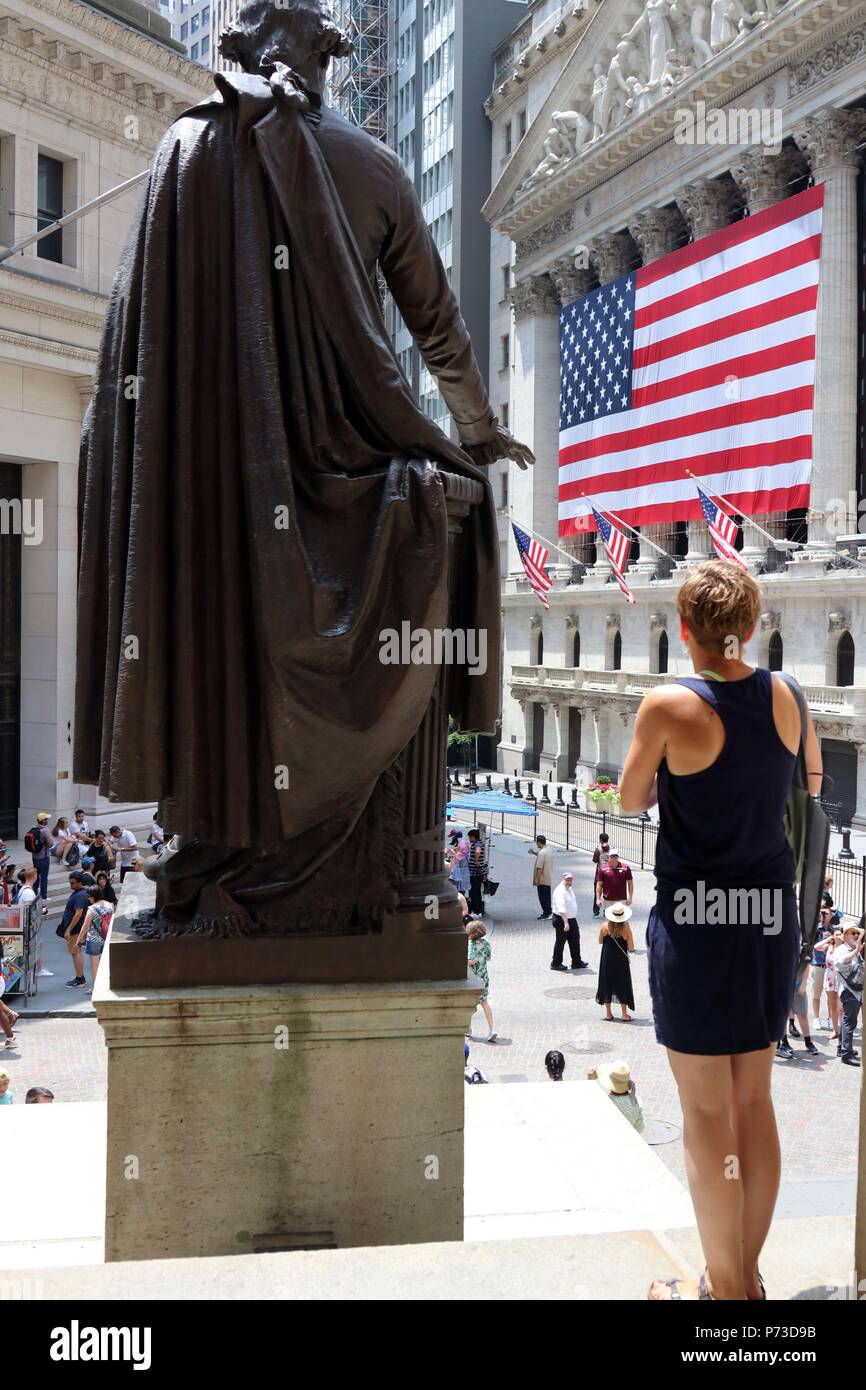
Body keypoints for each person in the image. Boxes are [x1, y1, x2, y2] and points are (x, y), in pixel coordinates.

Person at [619, 559, 818, 1302]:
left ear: (685, 631)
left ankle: (726, 1293)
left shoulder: (669, 706)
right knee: (753, 1102)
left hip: (700, 920)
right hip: (767, 915)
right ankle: (747, 1274)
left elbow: (634, 797)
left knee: (704, 1112)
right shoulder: (785, 697)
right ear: (752, 627)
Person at [597, 901, 636, 1022]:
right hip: (620, 960)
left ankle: (608, 1013)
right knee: (622, 983)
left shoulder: (604, 926)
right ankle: (624, 1014)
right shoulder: (626, 929)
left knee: (607, 981)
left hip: (607, 958)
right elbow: (631, 947)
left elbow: (600, 941)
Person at [832, 923, 864, 1066]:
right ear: (845, 936)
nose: (856, 936)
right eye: (853, 933)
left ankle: (843, 1048)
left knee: (848, 1021)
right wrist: (856, 950)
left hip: (855, 992)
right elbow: (840, 962)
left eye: (857, 933)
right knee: (849, 1022)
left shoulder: (852, 949)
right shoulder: (842, 950)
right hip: (849, 992)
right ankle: (846, 1054)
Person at [587, 1061, 645, 1133]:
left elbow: (589, 1115)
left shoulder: (605, 1103)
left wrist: (590, 1081)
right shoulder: (637, 1102)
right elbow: (639, 1127)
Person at [777, 962, 818, 1059]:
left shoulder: (800, 947)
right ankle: (784, 1043)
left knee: (802, 1015)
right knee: (782, 1016)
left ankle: (808, 1043)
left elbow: (806, 964)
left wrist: (803, 984)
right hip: (782, 987)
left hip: (798, 987)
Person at [75, 887, 114, 990]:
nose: (88, 899)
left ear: (93, 896)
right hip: (106, 937)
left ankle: (96, 988)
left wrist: (79, 940)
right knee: (106, 962)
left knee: (94, 965)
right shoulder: (109, 905)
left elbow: (85, 926)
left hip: (94, 939)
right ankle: (107, 984)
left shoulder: (91, 909)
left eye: (88, 897)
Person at [16, 866, 51, 980]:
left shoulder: (24, 889)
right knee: (35, 946)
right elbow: (30, 910)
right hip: (29, 924)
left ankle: (39, 968)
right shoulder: (28, 892)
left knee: (37, 945)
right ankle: (39, 969)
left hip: (28, 923)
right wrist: (42, 910)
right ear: (34, 877)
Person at [466, 920, 496, 1042]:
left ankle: (467, 1028)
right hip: (483, 977)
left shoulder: (471, 944)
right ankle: (491, 1028)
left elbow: (471, 960)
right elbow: (488, 957)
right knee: (484, 1002)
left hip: (472, 978)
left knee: (468, 1003)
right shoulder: (486, 943)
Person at [550, 872, 587, 971]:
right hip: (562, 919)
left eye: (570, 880)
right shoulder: (560, 891)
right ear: (562, 879)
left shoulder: (569, 889)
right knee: (560, 942)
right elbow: (561, 909)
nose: (569, 882)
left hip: (571, 919)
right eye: (567, 880)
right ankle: (556, 963)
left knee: (575, 940)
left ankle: (576, 962)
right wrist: (566, 923)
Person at [60, 873, 90, 988]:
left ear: (80, 882)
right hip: (77, 929)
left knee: (75, 952)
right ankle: (79, 977)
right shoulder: (80, 893)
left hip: (75, 929)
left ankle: (80, 978)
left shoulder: (79, 895)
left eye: (73, 883)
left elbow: (78, 914)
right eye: (70, 882)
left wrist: (68, 929)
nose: (70, 885)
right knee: (76, 952)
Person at [809, 907, 834, 1032]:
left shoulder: (833, 929)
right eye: (822, 913)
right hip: (818, 965)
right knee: (816, 994)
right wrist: (826, 945)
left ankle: (830, 1019)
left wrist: (826, 945)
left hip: (830, 967)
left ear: (831, 915)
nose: (824, 915)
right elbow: (816, 947)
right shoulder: (816, 929)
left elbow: (834, 945)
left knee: (830, 994)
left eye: (827, 913)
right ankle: (816, 1019)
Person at [594, 849, 633, 916]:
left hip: (621, 900)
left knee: (621, 921)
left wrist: (630, 897)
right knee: (609, 921)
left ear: (618, 857)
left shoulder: (625, 868)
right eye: (612, 856)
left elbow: (630, 883)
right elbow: (599, 884)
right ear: (609, 857)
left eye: (615, 856)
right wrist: (598, 899)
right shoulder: (603, 869)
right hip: (608, 900)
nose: (614, 858)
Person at [27, 812, 51, 915]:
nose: (47, 820)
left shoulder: (34, 829)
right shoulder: (45, 830)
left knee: (36, 877)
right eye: (46, 819)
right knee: (44, 877)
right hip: (44, 858)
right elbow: (51, 843)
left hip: (35, 857)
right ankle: (44, 897)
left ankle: (34, 894)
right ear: (43, 820)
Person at [530, 835, 554, 919]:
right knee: (547, 897)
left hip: (542, 879)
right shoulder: (549, 850)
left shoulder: (541, 853)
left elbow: (539, 868)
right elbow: (541, 855)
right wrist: (534, 852)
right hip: (548, 878)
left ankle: (546, 913)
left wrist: (537, 879)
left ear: (539, 843)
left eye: (537, 842)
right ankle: (549, 911)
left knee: (543, 898)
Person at [466, 829, 487, 917]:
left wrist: (476, 860)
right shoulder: (479, 843)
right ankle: (476, 910)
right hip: (476, 873)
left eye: (469, 837)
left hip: (475, 873)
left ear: (473, 837)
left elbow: (478, 851)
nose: (469, 839)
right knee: (475, 891)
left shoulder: (477, 844)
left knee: (475, 891)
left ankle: (476, 911)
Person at [445, 829, 470, 896]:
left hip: (463, 870)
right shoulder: (461, 843)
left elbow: (461, 855)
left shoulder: (462, 844)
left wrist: (453, 853)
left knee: (461, 890)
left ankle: (462, 902)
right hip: (460, 869)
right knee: (459, 888)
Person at [591, 833, 611, 916]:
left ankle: (596, 912)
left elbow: (595, 860)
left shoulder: (598, 849)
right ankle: (606, 912)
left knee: (597, 893)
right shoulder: (611, 849)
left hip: (599, 874)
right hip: (609, 874)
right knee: (608, 894)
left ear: (600, 839)